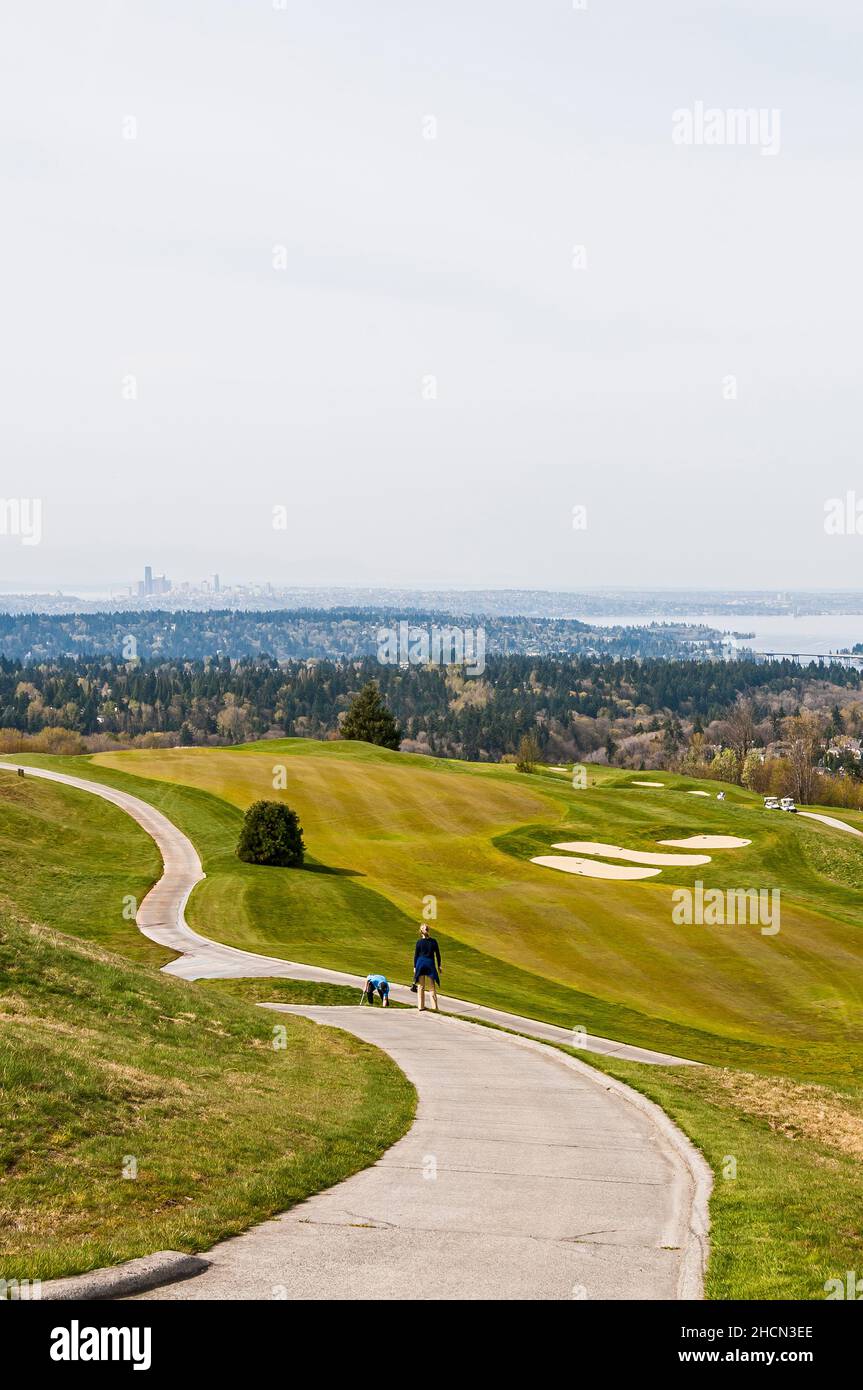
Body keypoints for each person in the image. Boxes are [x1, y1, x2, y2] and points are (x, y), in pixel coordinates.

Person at [413, 923, 441, 1012]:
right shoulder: (434, 941)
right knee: (432, 987)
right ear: (428, 930)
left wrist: (414, 966)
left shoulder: (419, 942)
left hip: (420, 964)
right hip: (430, 964)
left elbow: (416, 955)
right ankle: (434, 1007)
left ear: (421, 932)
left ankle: (421, 1006)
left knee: (421, 986)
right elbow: (438, 955)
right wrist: (439, 965)